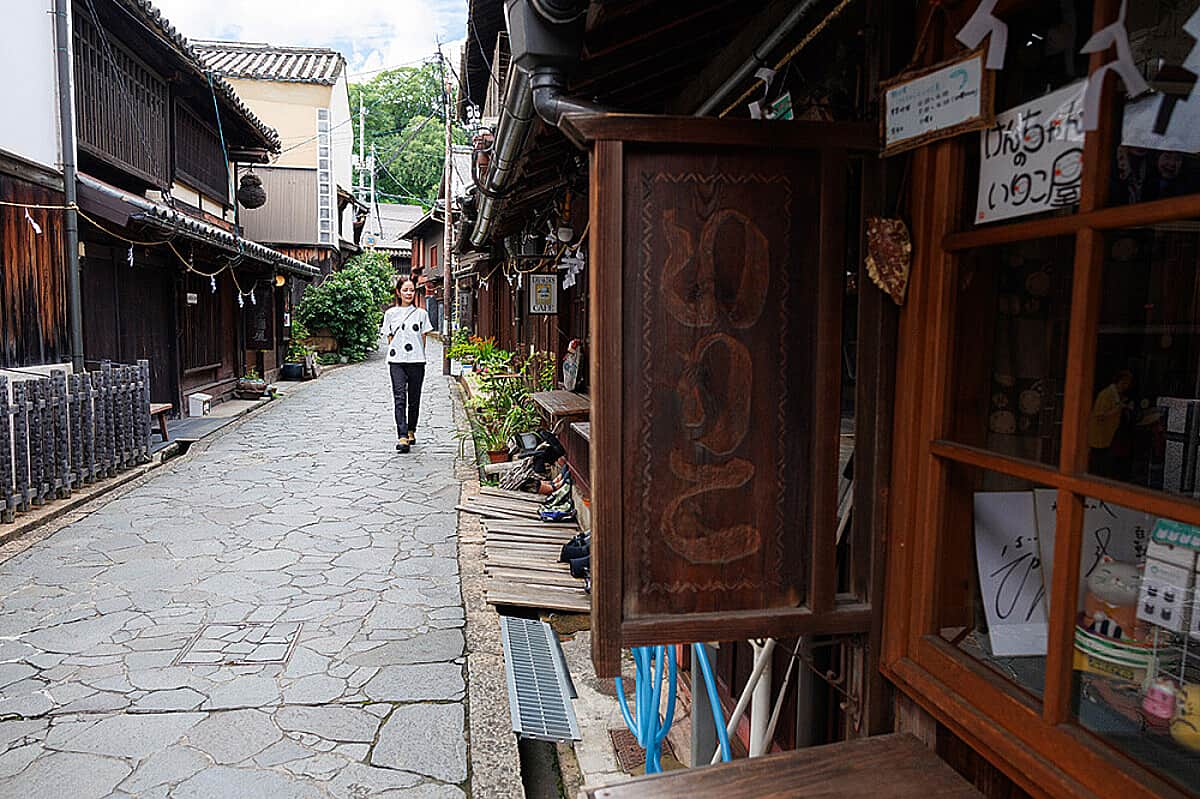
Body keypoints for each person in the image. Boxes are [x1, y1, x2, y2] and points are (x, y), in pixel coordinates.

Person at [381, 278, 433, 453]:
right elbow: (389, 337)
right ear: (398, 292)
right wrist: (397, 351)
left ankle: (411, 430)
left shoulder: (421, 314)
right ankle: (402, 435)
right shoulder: (390, 314)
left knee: (414, 398)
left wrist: (417, 353)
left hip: (417, 361)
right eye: (405, 290)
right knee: (399, 397)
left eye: (411, 290)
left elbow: (423, 337)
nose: (409, 293)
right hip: (396, 361)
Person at [1088, 369, 1133, 478]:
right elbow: (1099, 415)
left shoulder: (1117, 395)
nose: (1126, 386)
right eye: (1125, 383)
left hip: (1108, 437)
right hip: (1099, 438)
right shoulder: (1106, 394)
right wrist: (1118, 408)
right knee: (1099, 467)